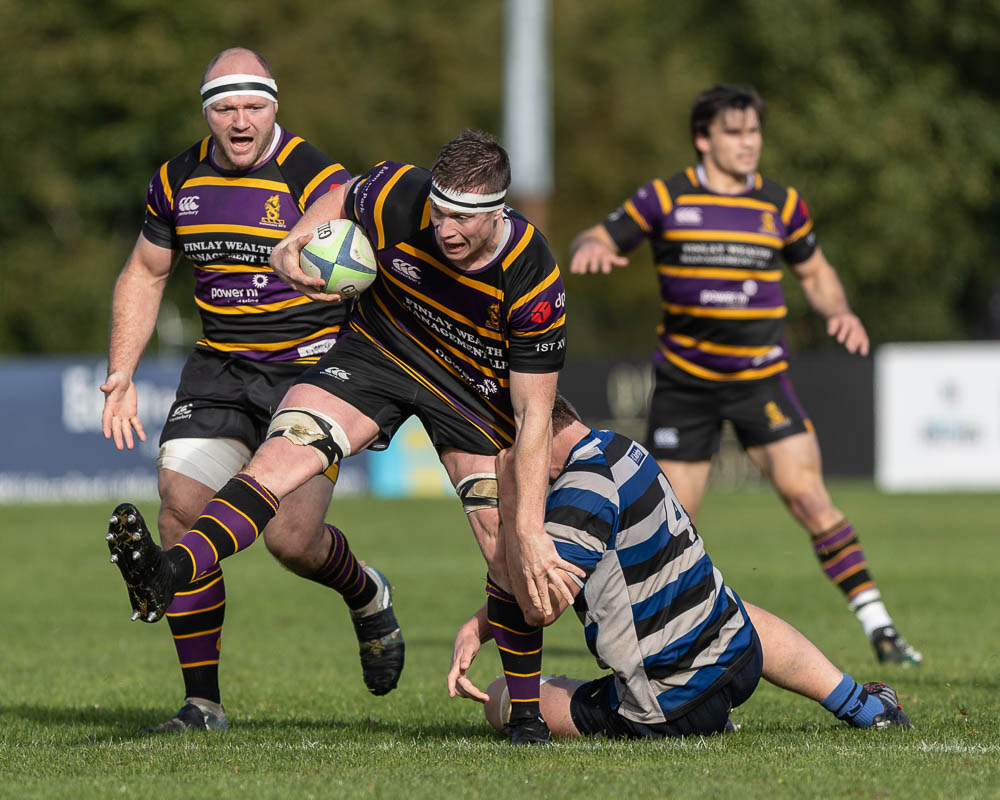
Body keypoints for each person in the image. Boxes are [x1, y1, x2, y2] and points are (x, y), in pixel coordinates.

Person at [105, 128, 582, 743]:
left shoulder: (532, 272)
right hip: (377, 353)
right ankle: (168, 572)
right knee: (287, 449)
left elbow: (536, 414)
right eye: (440, 211)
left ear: (497, 211)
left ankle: (526, 717)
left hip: (470, 387)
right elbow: (344, 198)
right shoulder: (401, 194)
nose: (447, 230)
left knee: (500, 542)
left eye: (464, 218)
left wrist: (529, 526)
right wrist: (291, 245)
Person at [101, 47, 404, 733]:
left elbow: (337, 195)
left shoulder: (304, 167)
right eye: (226, 108)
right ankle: (202, 704)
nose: (241, 121)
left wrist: (295, 240)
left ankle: (367, 591)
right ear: (208, 113)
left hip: (309, 368)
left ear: (275, 108)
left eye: (254, 106)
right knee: (179, 505)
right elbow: (145, 274)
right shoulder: (177, 178)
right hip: (221, 367)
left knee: (293, 543)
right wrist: (120, 370)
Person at [568, 84, 921, 666]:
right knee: (667, 529)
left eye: (754, 131)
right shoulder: (665, 197)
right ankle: (662, 649)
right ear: (704, 139)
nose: (749, 143)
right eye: (735, 132)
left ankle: (881, 628)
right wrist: (592, 247)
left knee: (810, 498)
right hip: (686, 386)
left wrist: (841, 312)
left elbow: (816, 273)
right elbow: (599, 233)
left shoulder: (781, 204)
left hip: (761, 379)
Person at [447, 395, 913, 739]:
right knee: (723, 603)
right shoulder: (621, 448)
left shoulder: (580, 490)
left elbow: (539, 608)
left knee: (501, 698)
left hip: (670, 703)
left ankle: (706, 720)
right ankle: (862, 705)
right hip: (739, 657)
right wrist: (478, 625)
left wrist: (510, 493)